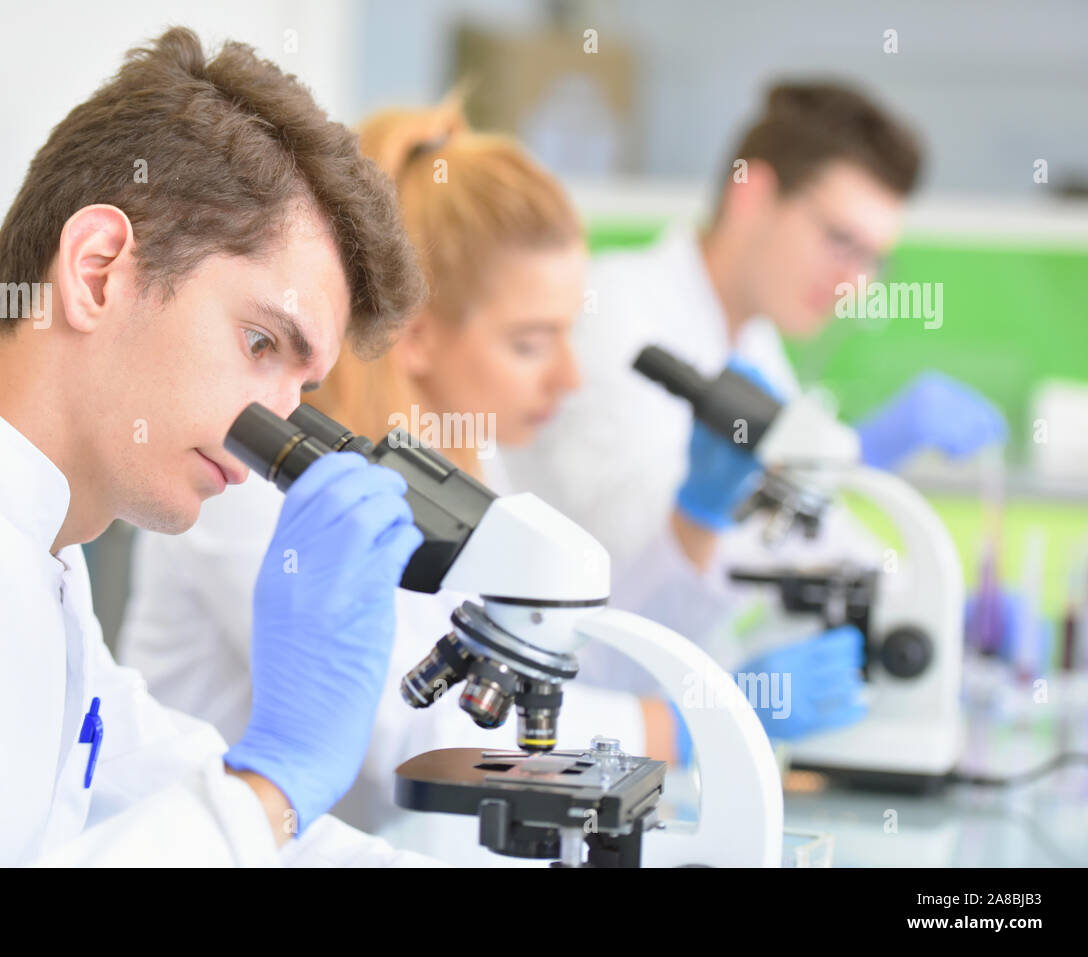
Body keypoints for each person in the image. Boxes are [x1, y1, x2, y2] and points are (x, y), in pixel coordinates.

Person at [0, 27, 439, 866]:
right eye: (259, 343)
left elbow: (182, 790)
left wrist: (272, 800)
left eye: (302, 391)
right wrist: (270, 787)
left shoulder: (39, 549)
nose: (273, 434)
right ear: (96, 272)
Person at [118, 98, 690, 861]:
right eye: (531, 342)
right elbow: (418, 735)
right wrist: (682, 724)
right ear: (417, 336)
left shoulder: (466, 460)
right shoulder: (252, 477)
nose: (570, 376)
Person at [502, 81, 1006, 737]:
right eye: (841, 241)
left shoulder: (754, 342)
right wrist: (708, 511)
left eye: (873, 260)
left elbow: (811, 540)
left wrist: (937, 603)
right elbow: (629, 609)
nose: (855, 284)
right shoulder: (619, 320)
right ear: (753, 194)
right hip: (559, 722)